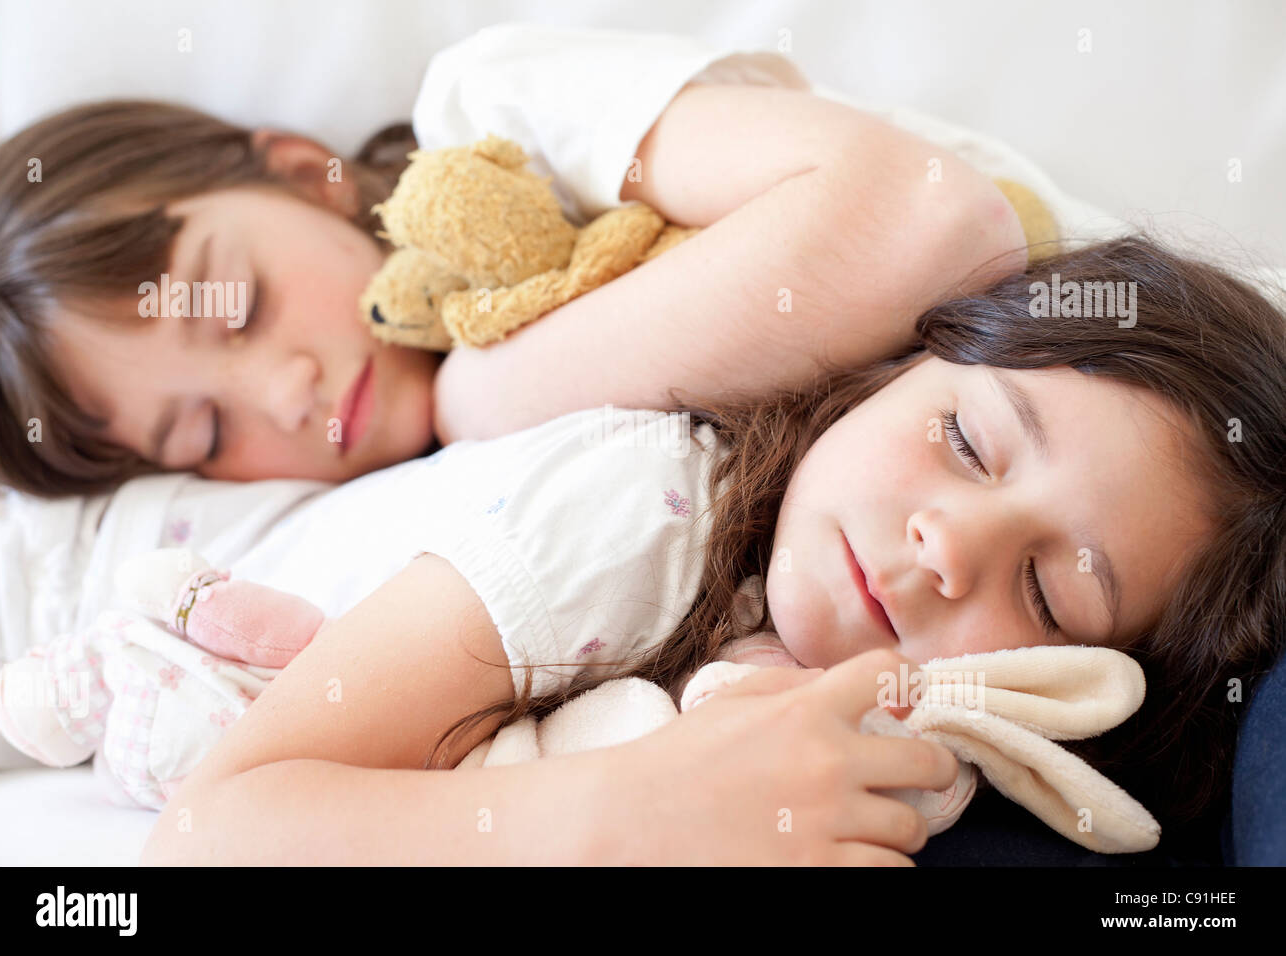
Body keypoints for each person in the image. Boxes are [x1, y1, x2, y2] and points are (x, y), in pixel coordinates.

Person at [138, 234, 1286, 864]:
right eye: (964, 441)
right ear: (908, 363)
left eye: (1045, 591)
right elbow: (212, 831)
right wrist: (625, 811)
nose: (946, 543)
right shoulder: (641, 507)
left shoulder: (940, 743)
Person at [0, 23, 1024, 494]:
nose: (282, 391)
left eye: (242, 304)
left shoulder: (493, 114)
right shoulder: (404, 513)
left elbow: (929, 222)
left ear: (309, 175)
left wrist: (480, 395)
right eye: (205, 431)